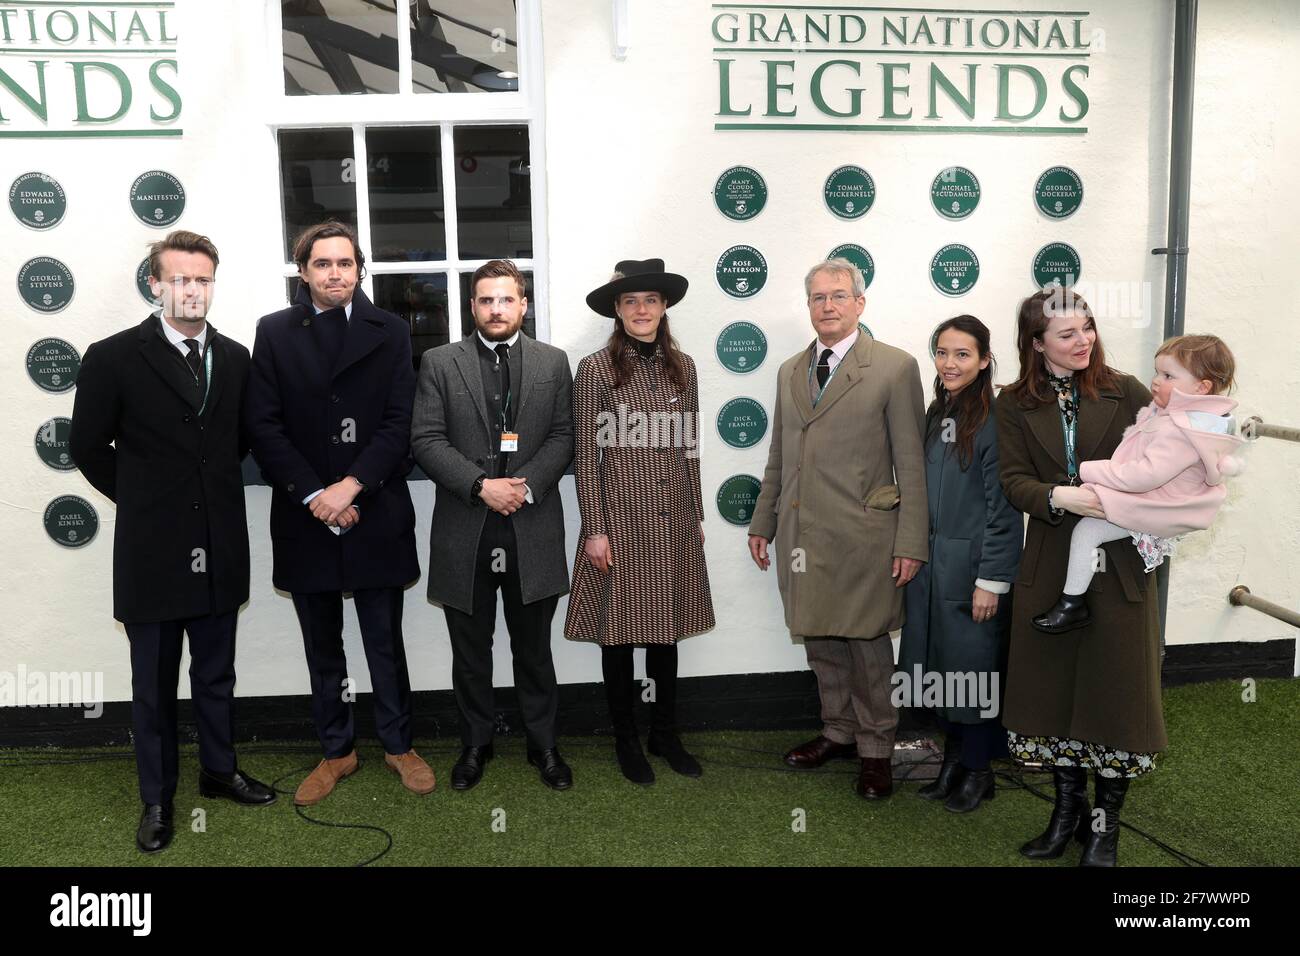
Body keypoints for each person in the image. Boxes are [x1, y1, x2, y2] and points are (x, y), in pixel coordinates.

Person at [69, 230, 274, 854]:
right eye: (181, 279)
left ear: (213, 284)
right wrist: (144, 500)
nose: (193, 289)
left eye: (203, 279)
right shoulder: (111, 356)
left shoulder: (236, 358)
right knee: (153, 685)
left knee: (217, 674)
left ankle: (218, 771)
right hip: (151, 553)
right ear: (155, 284)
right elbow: (86, 448)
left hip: (219, 545)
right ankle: (157, 799)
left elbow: (234, 444)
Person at [245, 220, 433, 805]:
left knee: (385, 641)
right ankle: (337, 752)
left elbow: (400, 424)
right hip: (305, 516)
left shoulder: (392, 331)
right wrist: (315, 496)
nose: (335, 273)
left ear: (359, 270)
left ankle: (399, 745)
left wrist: (350, 488)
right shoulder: (273, 332)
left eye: (345, 263)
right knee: (322, 646)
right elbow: (264, 425)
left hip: (373, 509)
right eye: (323, 264)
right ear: (303, 273)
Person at [747, 258, 928, 800]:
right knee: (821, 639)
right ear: (809, 307)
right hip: (802, 531)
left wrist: (911, 541)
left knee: (868, 646)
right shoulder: (788, 371)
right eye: (818, 298)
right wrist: (764, 520)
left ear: (859, 304)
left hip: (865, 537)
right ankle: (838, 731)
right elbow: (781, 452)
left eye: (838, 296)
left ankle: (877, 750)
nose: (827, 306)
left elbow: (911, 463)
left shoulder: (894, 367)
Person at [995, 287, 1164, 867]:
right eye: (1066, 334)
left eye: (1087, 328)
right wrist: (1062, 496)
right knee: (1053, 696)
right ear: (1036, 344)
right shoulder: (1013, 403)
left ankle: (1104, 829)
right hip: (1049, 563)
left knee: (1114, 696)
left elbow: (1169, 464)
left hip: (1118, 567)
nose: (1083, 340)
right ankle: (1065, 815)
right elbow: (1013, 481)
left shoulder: (1130, 391)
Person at [411, 259, 575, 791]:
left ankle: (543, 745)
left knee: (534, 650)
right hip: (467, 527)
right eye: (485, 300)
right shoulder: (439, 361)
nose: (496, 309)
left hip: (532, 524)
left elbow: (563, 435)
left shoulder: (553, 362)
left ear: (523, 305)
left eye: (506, 299)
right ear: (473, 306)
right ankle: (475, 745)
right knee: (470, 652)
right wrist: (483, 486)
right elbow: (426, 440)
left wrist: (522, 485)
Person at [566, 258, 715, 785]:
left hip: (673, 517)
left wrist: (696, 512)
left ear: (664, 306)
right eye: (630, 301)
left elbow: (690, 446)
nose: (641, 309)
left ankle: (665, 733)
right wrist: (596, 528)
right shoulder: (595, 369)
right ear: (617, 310)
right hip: (620, 520)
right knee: (618, 637)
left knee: (664, 635)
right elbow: (586, 455)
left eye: (650, 299)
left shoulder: (686, 366)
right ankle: (626, 738)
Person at [1034, 334, 1243, 632]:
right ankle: (1073, 602)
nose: (1156, 380)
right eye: (1157, 371)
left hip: (1156, 503)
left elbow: (1145, 475)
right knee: (1087, 525)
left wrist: (1087, 471)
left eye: (1168, 375)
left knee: (1086, 530)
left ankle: (1071, 603)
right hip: (1156, 497)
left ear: (1202, 387)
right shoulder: (1178, 416)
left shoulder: (1181, 430)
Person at [899, 316, 1021, 813]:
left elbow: (1004, 507)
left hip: (973, 572)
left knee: (973, 672)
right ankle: (953, 760)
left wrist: (991, 581)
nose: (950, 363)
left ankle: (979, 770)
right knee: (940, 668)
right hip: (932, 570)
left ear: (985, 359)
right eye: (943, 353)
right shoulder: (937, 412)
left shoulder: (994, 420)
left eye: (963, 354)